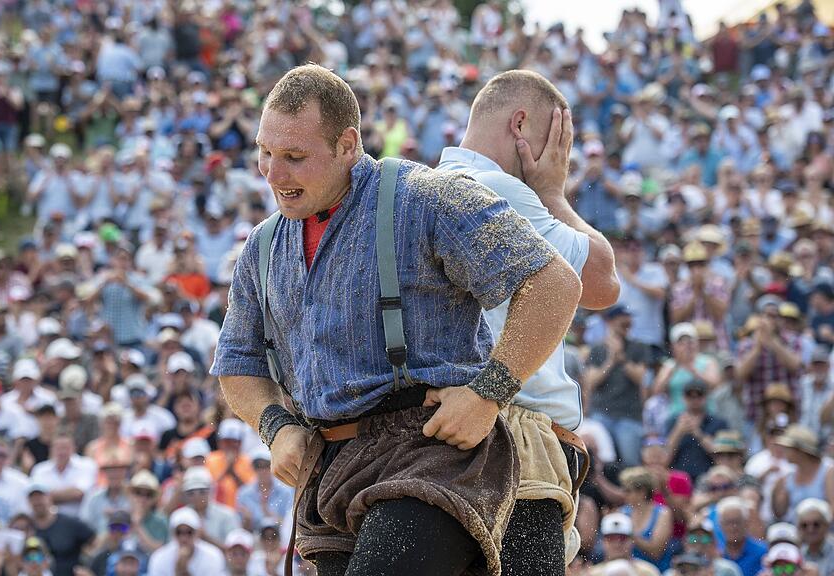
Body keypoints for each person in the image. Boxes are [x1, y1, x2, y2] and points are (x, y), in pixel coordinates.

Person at [212, 64, 582, 576]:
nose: (274, 174)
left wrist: (487, 392)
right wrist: (275, 427)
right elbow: (237, 361)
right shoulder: (261, 247)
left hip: (432, 455)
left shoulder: (425, 197)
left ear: (347, 144)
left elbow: (554, 284)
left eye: (295, 157)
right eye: (265, 153)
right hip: (331, 472)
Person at [437, 68, 620, 573]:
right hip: (517, 448)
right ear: (521, 126)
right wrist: (554, 193)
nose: (557, 160)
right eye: (556, 143)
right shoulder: (499, 188)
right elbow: (602, 281)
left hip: (439, 441)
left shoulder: (422, 188)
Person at [585, 305, 650, 466]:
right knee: (601, 461)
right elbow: (591, 382)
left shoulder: (638, 347)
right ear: (611, 321)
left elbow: (641, 378)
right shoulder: (598, 349)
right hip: (602, 414)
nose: (628, 322)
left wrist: (621, 357)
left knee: (630, 462)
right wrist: (611, 360)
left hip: (629, 415)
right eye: (623, 317)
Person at [28, 483, 96, 576]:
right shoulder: (27, 527)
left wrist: (88, 566)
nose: (37, 502)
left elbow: (94, 540)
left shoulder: (69, 523)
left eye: (40, 497)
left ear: (49, 498)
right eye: (33, 499)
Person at [771, 425, 834, 523]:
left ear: (800, 451)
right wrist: (776, 490)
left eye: (788, 448)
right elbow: (780, 513)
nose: (784, 451)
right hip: (797, 531)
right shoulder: (788, 476)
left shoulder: (829, 471)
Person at [620, 467, 676, 572]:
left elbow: (656, 552)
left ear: (642, 492)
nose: (624, 494)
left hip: (657, 570)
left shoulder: (663, 513)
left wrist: (628, 534)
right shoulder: (622, 512)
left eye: (628, 490)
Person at [146, 507, 226, 576]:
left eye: (189, 532)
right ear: (172, 533)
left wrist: (183, 571)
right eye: (179, 532)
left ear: (197, 533)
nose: (184, 538)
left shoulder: (212, 555)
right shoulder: (159, 557)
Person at [588, 513, 660, 576]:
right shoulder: (592, 573)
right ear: (603, 541)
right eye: (611, 538)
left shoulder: (648, 572)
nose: (616, 544)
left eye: (622, 538)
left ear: (632, 540)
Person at [717, 497, 768, 576]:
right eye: (728, 522)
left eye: (737, 522)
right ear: (720, 525)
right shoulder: (716, 553)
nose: (732, 527)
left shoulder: (762, 553)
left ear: (746, 523)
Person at [795, 499, 834, 576]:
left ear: (826, 525)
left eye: (816, 524)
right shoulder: (798, 554)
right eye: (804, 525)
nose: (810, 529)